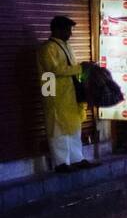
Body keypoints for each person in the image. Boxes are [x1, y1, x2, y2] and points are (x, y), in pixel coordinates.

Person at [35, 15, 94, 172]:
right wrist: (81, 67)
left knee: (74, 127)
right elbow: (54, 69)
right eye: (68, 29)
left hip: (69, 94)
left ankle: (77, 158)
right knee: (58, 128)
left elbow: (72, 69)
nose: (70, 33)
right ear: (57, 30)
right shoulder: (47, 48)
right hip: (54, 94)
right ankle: (61, 163)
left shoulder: (66, 46)